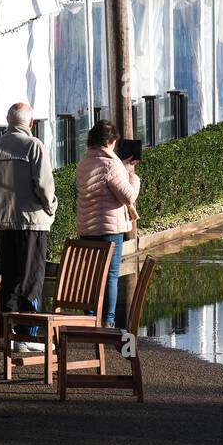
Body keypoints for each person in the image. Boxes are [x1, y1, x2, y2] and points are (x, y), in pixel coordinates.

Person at [0, 103, 57, 354]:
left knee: (9, 278)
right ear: (31, 123)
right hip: (31, 223)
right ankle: (27, 336)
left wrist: (1, 205)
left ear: (7, 120)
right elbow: (45, 187)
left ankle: (8, 334)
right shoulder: (34, 145)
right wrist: (51, 207)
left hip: (5, 223)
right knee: (31, 279)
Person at [76, 120, 140, 327]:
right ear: (111, 141)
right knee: (110, 275)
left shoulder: (84, 162)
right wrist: (132, 175)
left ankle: (90, 316)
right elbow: (128, 197)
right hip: (109, 229)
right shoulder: (111, 165)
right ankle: (107, 321)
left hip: (87, 228)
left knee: (90, 276)